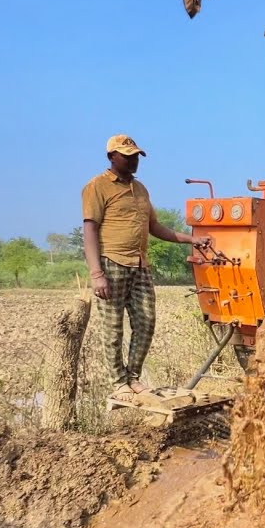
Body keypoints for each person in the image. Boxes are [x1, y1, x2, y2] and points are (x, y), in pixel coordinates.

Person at [81, 134, 211, 401]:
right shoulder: (97, 186)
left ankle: (133, 377)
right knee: (113, 326)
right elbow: (90, 229)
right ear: (111, 157)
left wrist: (192, 239)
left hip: (140, 265)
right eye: (126, 156)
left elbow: (155, 227)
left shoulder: (141, 190)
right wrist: (97, 274)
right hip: (112, 262)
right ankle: (119, 383)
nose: (133, 161)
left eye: (135, 156)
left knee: (146, 321)